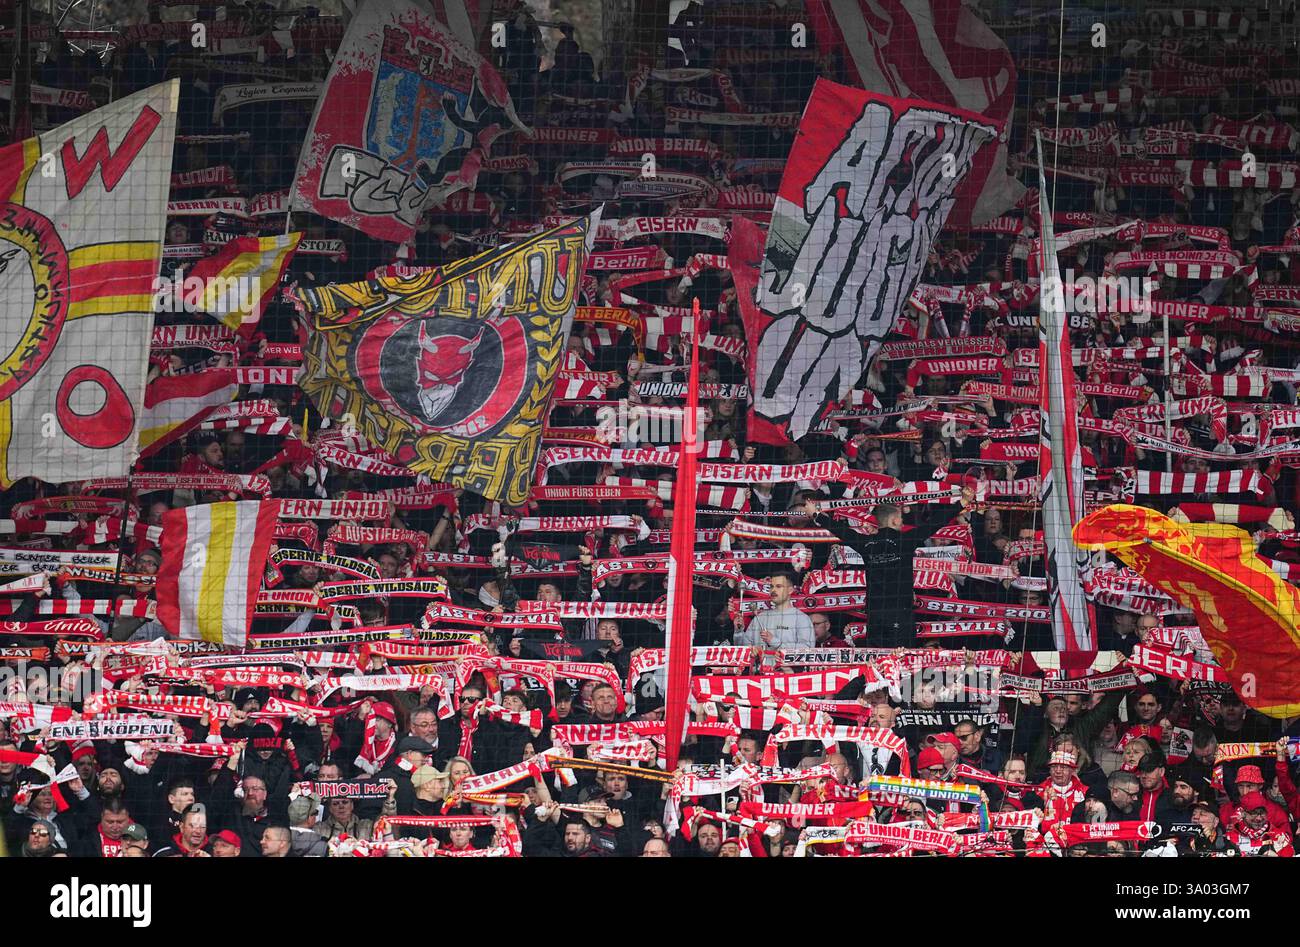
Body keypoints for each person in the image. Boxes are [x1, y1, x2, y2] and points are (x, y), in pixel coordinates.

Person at [806, 494, 971, 647]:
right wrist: (961, 503)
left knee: (878, 664)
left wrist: (816, 515)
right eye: (900, 518)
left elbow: (840, 530)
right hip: (901, 614)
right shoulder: (906, 540)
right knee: (902, 661)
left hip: (875, 616)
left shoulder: (865, 543)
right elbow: (934, 523)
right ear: (893, 520)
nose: (903, 522)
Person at [732, 569, 814, 650]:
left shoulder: (801, 618)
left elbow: (808, 649)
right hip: (761, 663)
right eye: (771, 586)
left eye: (778, 586)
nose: (773, 590)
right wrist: (739, 632)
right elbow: (743, 650)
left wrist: (774, 642)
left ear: (790, 590)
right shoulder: (760, 617)